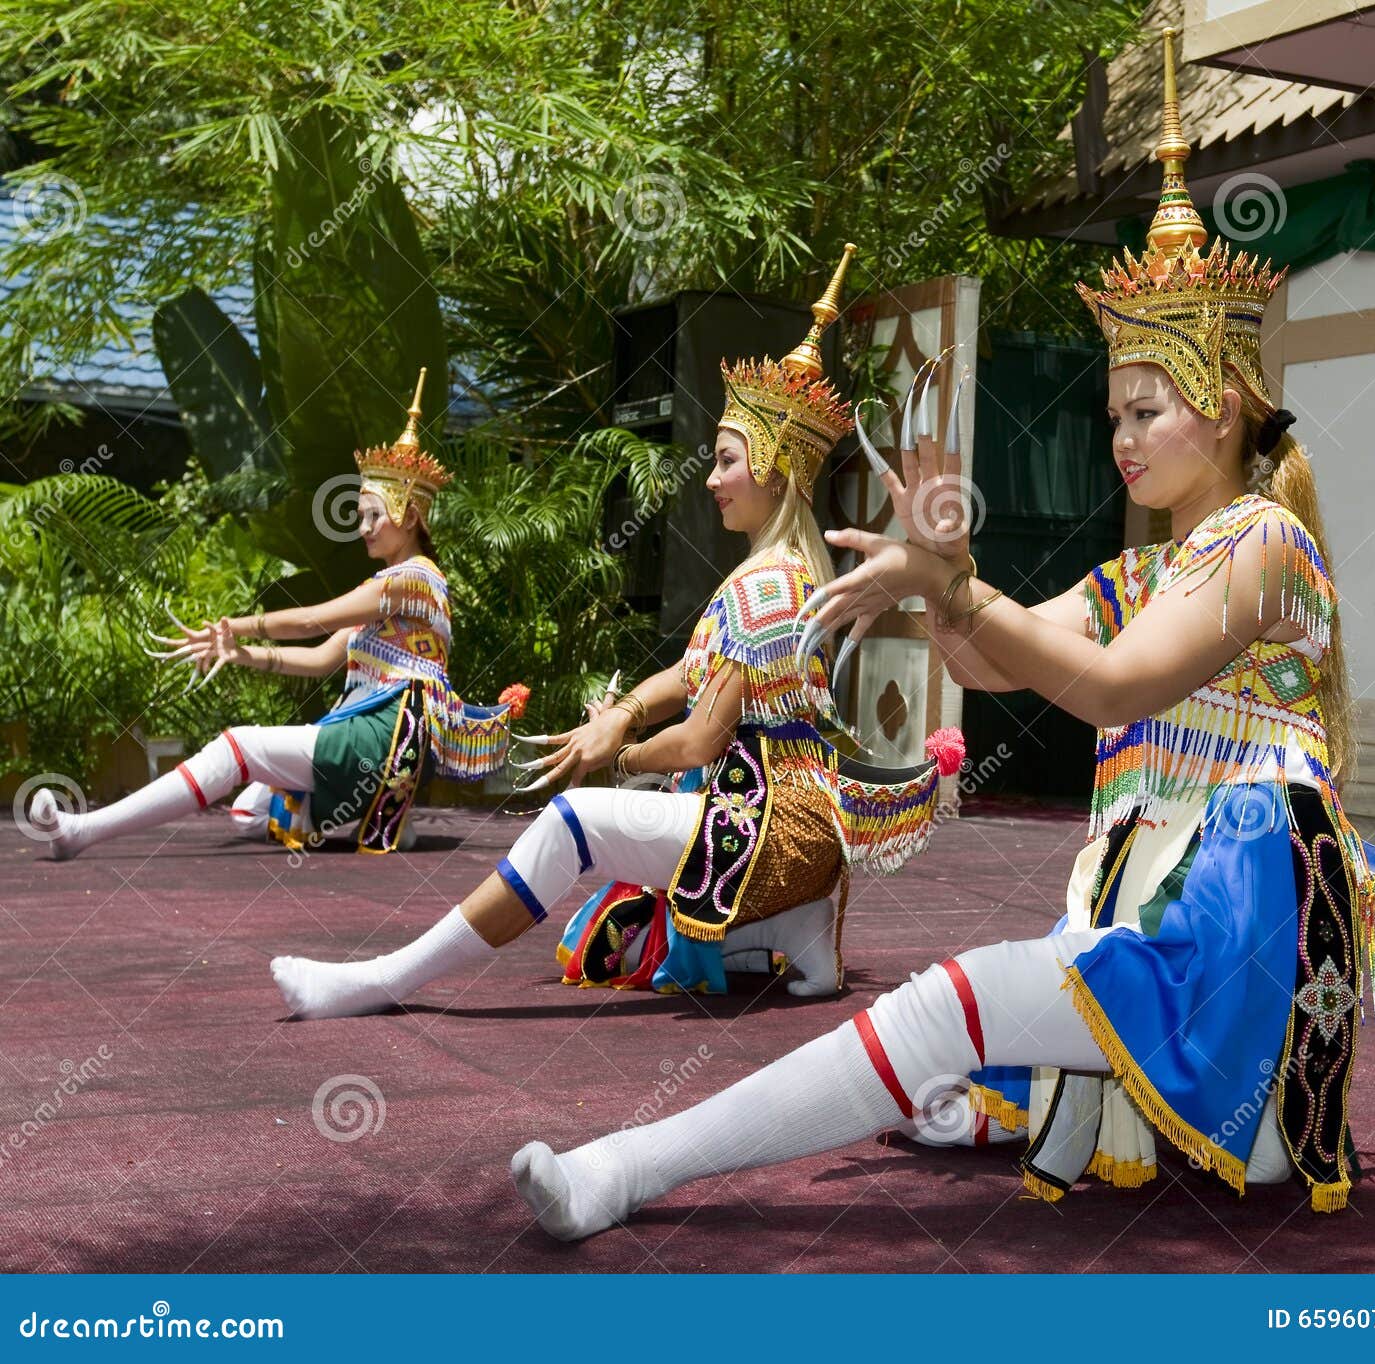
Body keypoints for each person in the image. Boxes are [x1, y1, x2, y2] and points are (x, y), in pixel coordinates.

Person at [503, 29, 1375, 1239]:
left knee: (945, 1005)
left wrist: (958, 591)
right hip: (1160, 912)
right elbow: (988, 662)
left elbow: (1116, 686)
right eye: (1112, 409)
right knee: (947, 1023)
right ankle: (635, 1163)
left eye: (1147, 406)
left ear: (1223, 401)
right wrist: (941, 582)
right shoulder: (1146, 564)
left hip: (1236, 925)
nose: (1122, 435)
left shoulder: (1265, 550)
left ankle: (625, 1168)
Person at [269, 245, 963, 1019]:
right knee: (601, 838)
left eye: (727, 459)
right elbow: (695, 677)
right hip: (777, 815)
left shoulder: (766, 585)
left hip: (768, 822)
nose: (710, 476)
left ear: (773, 470)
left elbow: (701, 741)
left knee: (574, 820)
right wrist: (629, 710)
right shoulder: (781, 575)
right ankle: (793, 924)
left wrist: (619, 754)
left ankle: (383, 981)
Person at [26, 370, 517, 861]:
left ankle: (81, 830)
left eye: (375, 515)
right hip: (379, 740)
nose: (364, 528)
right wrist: (242, 653)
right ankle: (386, 818)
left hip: (383, 739)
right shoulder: (389, 592)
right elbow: (321, 658)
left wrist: (238, 624)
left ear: (409, 518)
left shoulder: (413, 581)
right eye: (361, 515)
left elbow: (311, 622)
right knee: (248, 809)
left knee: (236, 747)